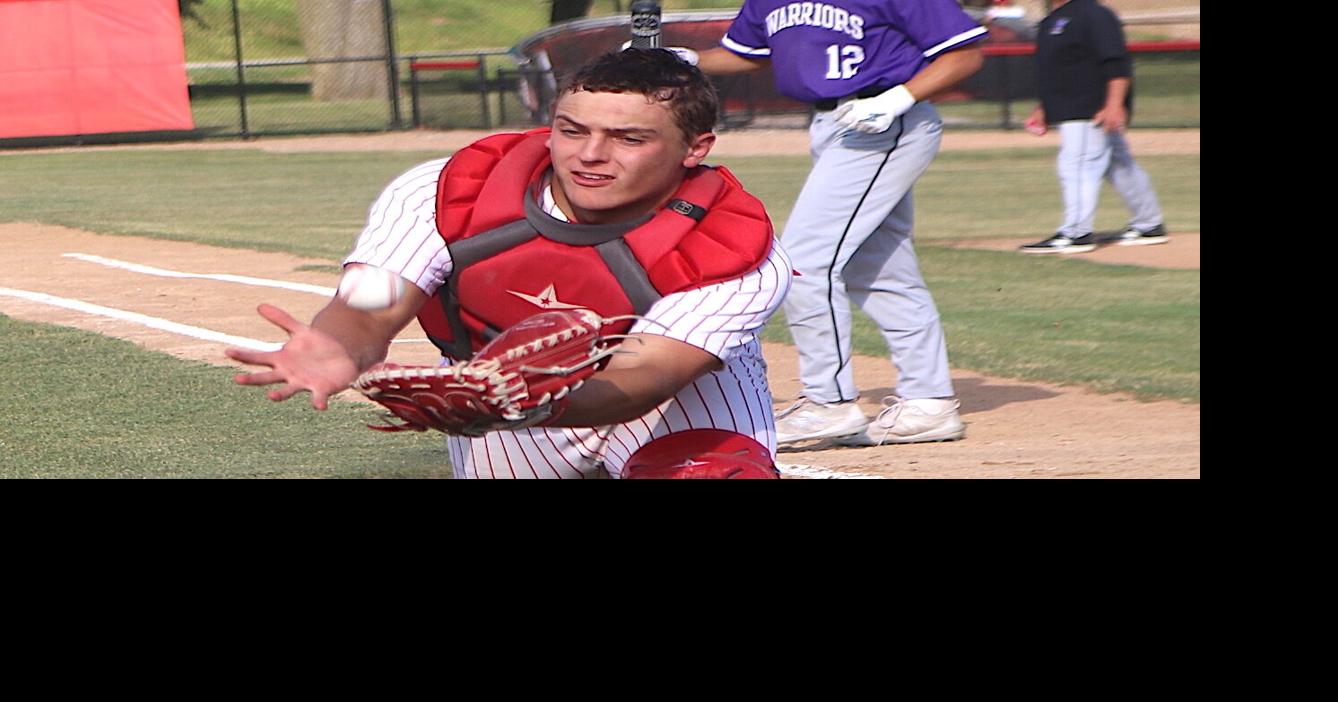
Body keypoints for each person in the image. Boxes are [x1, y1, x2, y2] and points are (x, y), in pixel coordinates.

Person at [225, 49, 793, 479]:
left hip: (667, 394)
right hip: (494, 384)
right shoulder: (450, 191)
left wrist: (526, 402)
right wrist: (340, 341)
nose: (590, 154)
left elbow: (643, 378)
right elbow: (373, 300)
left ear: (696, 148)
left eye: (628, 138)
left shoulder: (731, 244)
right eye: (571, 130)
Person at [682, 1, 986, 447]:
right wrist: (687, 60)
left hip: (886, 120)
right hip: (831, 122)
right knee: (877, 266)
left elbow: (964, 52)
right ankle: (929, 402)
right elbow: (751, 51)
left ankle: (829, 402)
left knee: (805, 261)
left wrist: (899, 98)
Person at [1018, 0, 1167, 254]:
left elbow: (1116, 62)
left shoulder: (1094, 14)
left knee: (1076, 165)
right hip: (1073, 108)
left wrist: (1114, 104)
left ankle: (1076, 233)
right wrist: (1045, 106)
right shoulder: (1051, 20)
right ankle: (1149, 223)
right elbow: (1056, 70)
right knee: (1119, 165)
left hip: (1091, 108)